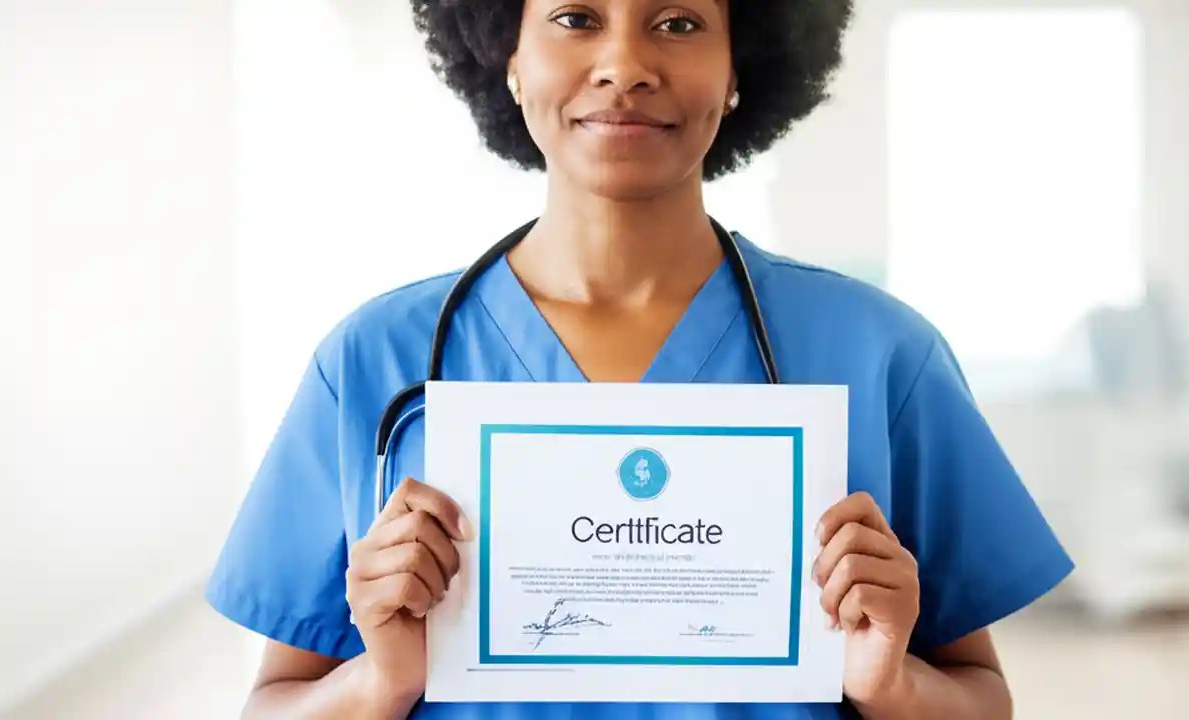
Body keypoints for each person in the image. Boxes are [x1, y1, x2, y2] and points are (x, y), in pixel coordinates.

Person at [206, 1, 1074, 718]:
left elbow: (981, 700)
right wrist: (382, 679)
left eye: (680, 23)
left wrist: (890, 682)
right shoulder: (370, 361)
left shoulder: (881, 355)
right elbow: (274, 705)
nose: (625, 63)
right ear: (507, 54)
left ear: (741, 70)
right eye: (577, 17)